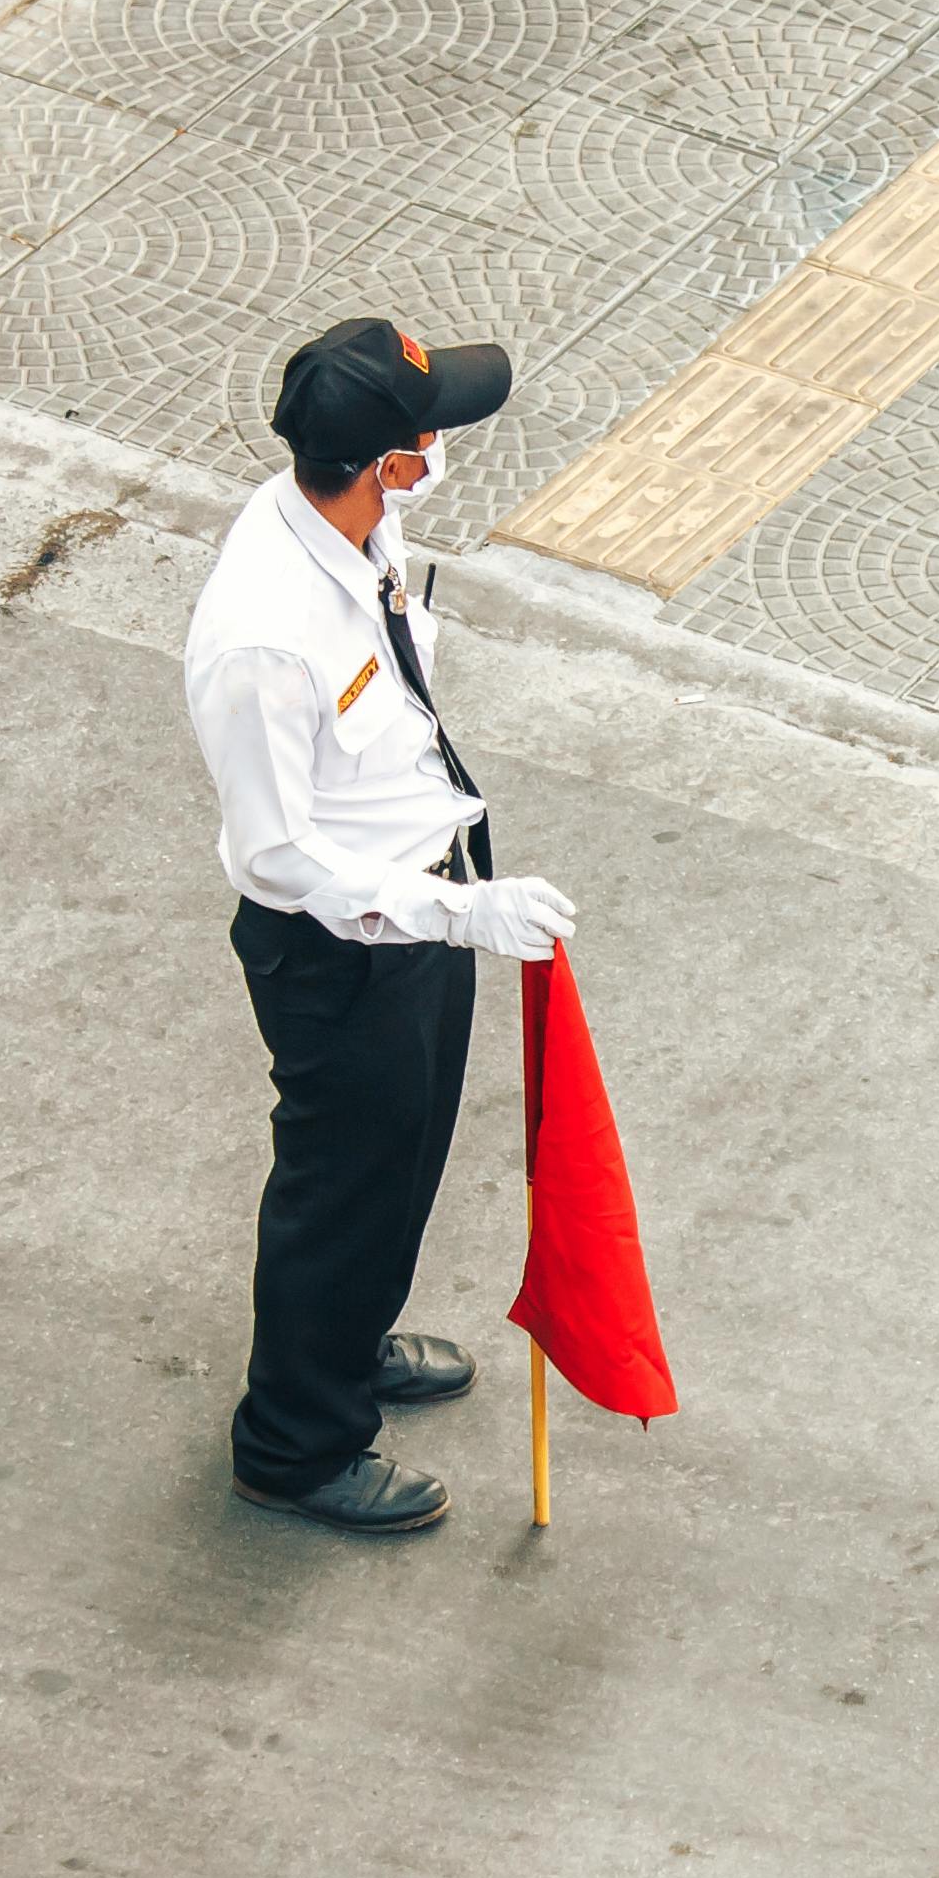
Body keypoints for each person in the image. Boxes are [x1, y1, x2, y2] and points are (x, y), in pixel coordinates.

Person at [181, 320, 578, 1535]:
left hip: (417, 899)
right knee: (342, 1182)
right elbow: (282, 857)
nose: (443, 442)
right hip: (342, 942)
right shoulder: (263, 637)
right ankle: (297, 1442)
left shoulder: (357, 521)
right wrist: (459, 912)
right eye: (430, 432)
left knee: (404, 1151)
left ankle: (345, 1341)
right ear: (391, 464)